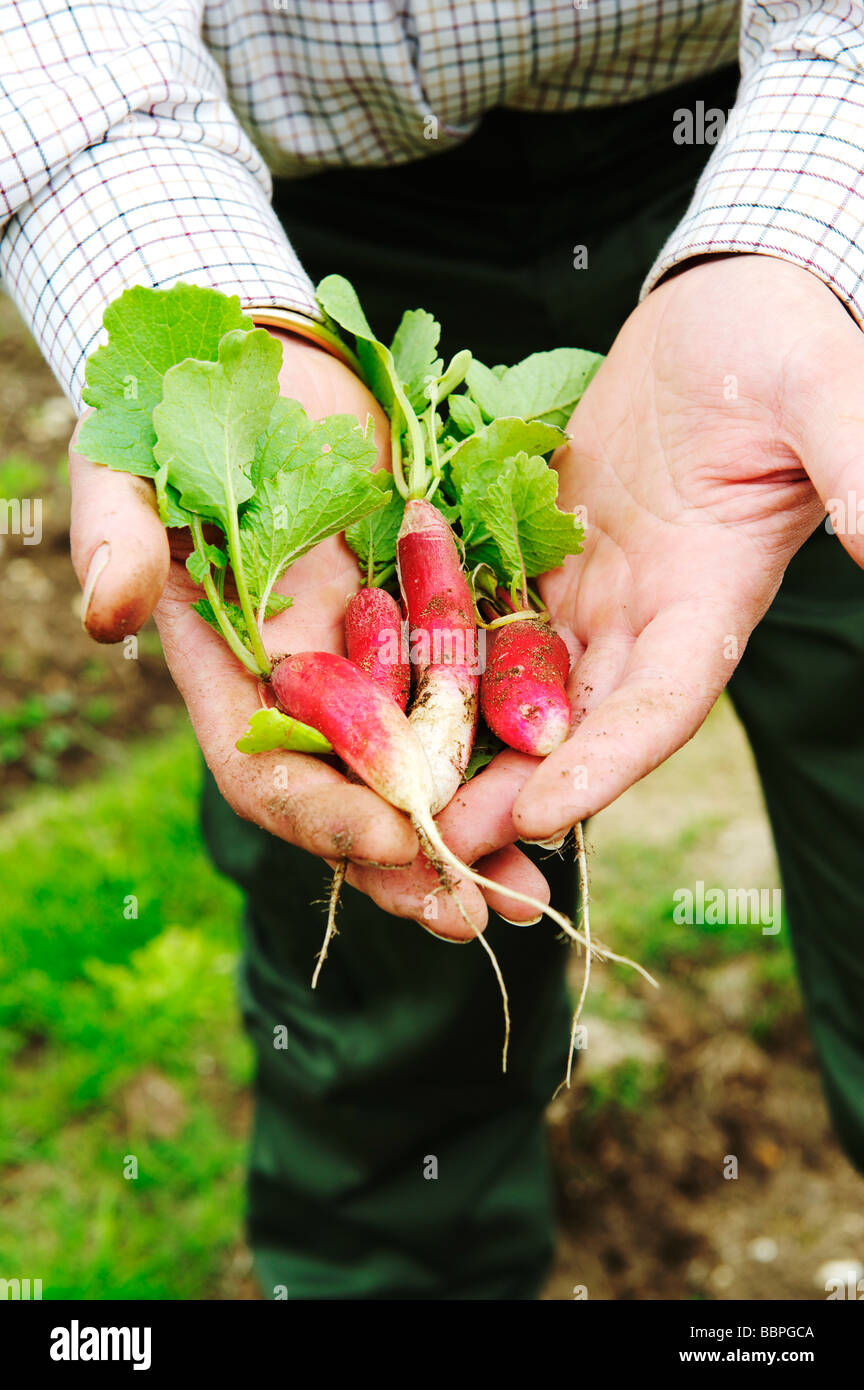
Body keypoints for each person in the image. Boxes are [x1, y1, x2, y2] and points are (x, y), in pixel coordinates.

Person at [4, 1, 864, 1299]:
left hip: (761, 146)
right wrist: (157, 253)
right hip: (273, 232)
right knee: (379, 1018)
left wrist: (814, 229)